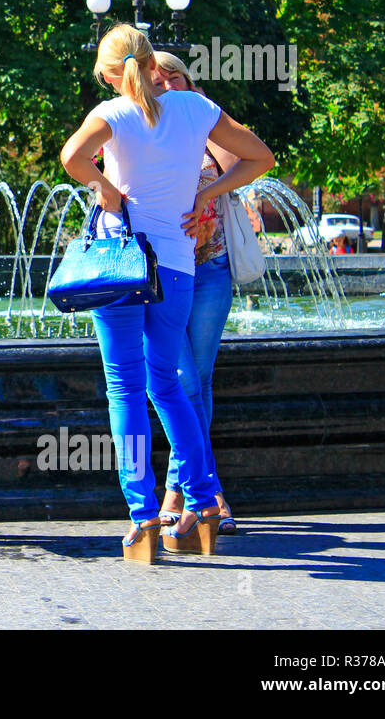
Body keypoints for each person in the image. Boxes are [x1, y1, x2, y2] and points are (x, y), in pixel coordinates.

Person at [60, 25, 274, 559]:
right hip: (178, 266)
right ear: (154, 62)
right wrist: (209, 189)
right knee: (170, 386)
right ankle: (202, 506)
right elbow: (260, 157)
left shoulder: (111, 113)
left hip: (123, 265)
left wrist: (107, 190)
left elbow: (71, 158)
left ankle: (143, 519)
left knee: (125, 390)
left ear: (109, 73)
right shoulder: (194, 109)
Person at [151, 51, 256, 536]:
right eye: (157, 76)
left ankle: (182, 490)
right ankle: (205, 491)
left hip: (210, 267)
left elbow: (253, 163)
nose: (166, 82)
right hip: (161, 273)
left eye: (175, 74)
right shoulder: (138, 124)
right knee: (184, 380)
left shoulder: (205, 122)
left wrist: (205, 195)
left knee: (200, 377)